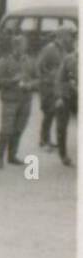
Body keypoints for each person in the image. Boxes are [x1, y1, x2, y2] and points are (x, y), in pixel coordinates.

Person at [0, 35, 36, 167]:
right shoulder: (4, 61)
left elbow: (38, 78)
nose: (23, 48)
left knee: (19, 128)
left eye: (24, 45)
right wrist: (12, 80)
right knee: (6, 130)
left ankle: (12, 155)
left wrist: (31, 84)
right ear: (15, 46)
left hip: (25, 99)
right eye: (20, 45)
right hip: (10, 100)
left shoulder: (29, 61)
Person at [37, 30, 66, 151]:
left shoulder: (61, 49)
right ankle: (44, 140)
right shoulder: (50, 49)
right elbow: (39, 65)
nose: (67, 38)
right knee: (48, 112)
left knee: (53, 112)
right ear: (59, 36)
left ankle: (46, 138)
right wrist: (47, 77)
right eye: (65, 35)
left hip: (55, 85)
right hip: (47, 86)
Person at [56, 28, 78, 166]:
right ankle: (63, 154)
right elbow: (60, 79)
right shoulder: (69, 59)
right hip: (68, 97)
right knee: (62, 126)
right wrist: (60, 97)